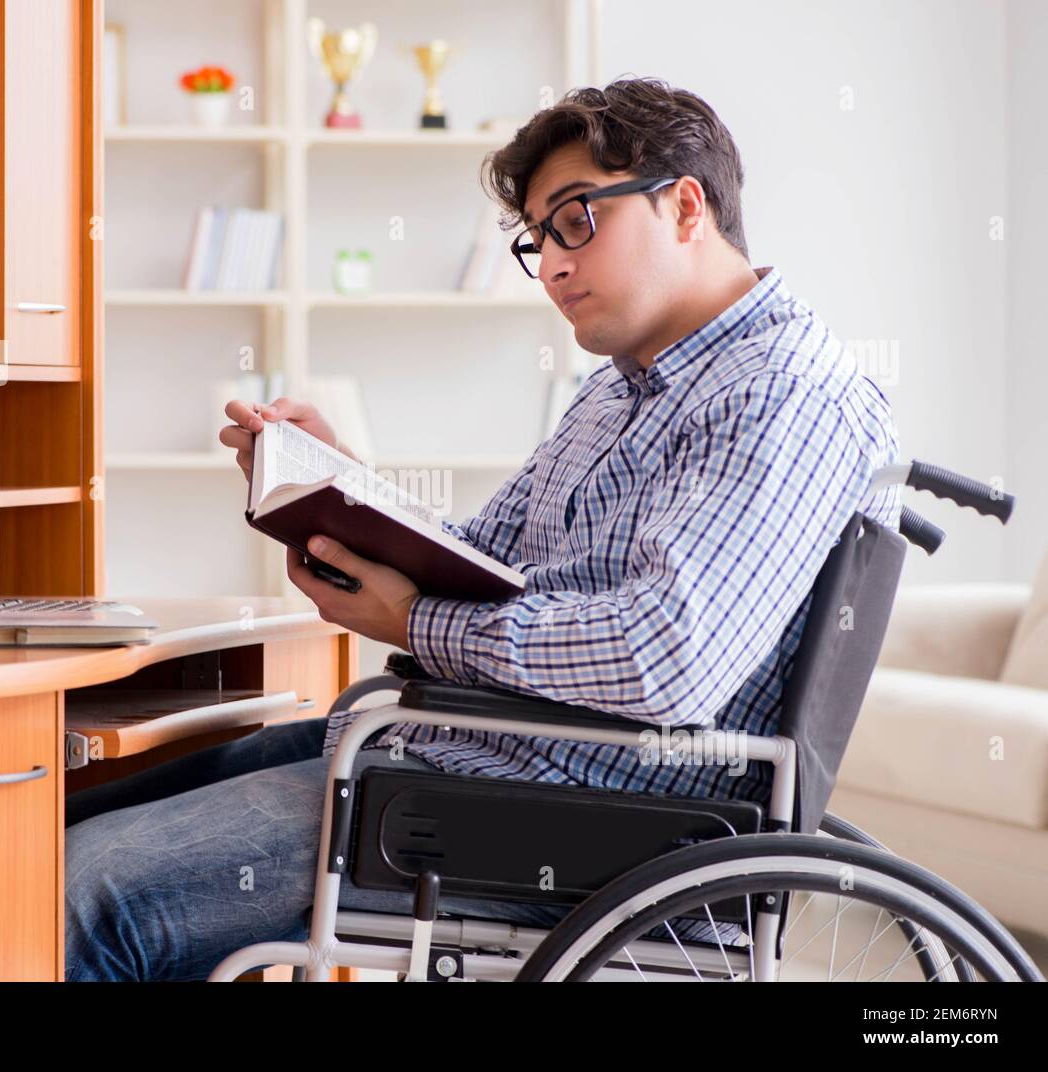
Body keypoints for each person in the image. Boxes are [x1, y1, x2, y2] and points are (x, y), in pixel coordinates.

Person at [65, 77, 900, 981]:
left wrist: (414, 624)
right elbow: (488, 556)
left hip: (572, 815)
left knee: (86, 895)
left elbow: (664, 657)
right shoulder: (624, 389)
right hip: (461, 759)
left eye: (576, 220)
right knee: (58, 819)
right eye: (537, 239)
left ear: (685, 205)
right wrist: (342, 485)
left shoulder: (789, 396)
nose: (551, 264)